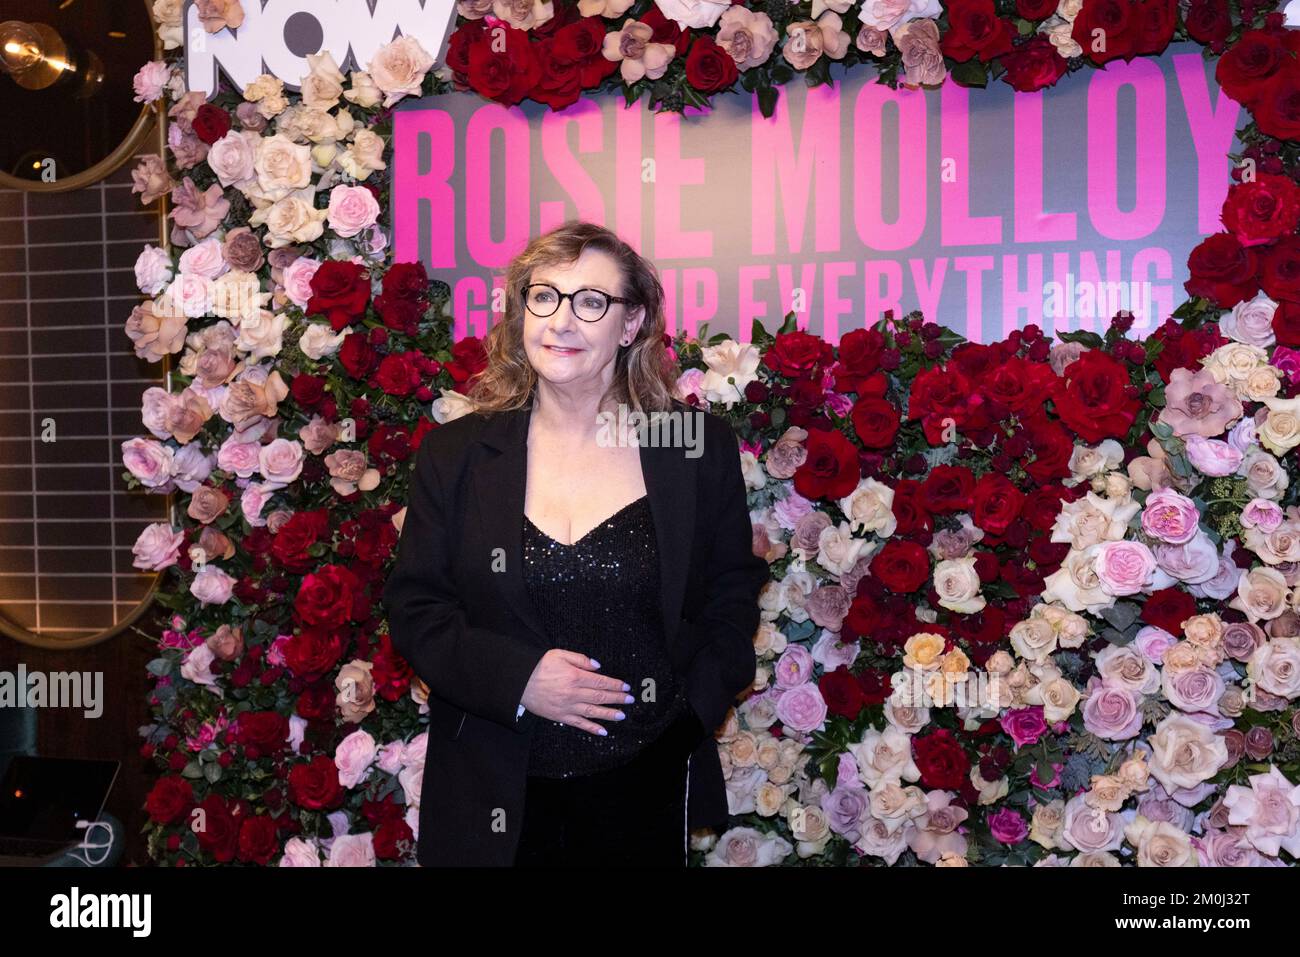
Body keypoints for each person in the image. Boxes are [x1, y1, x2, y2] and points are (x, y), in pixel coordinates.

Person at [381, 220, 768, 867]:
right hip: (492, 800)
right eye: (544, 296)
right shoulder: (457, 455)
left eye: (591, 301)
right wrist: (521, 679)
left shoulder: (694, 450)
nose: (561, 321)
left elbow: (732, 599)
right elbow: (417, 609)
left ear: (631, 322)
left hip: (640, 794)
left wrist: (680, 728)